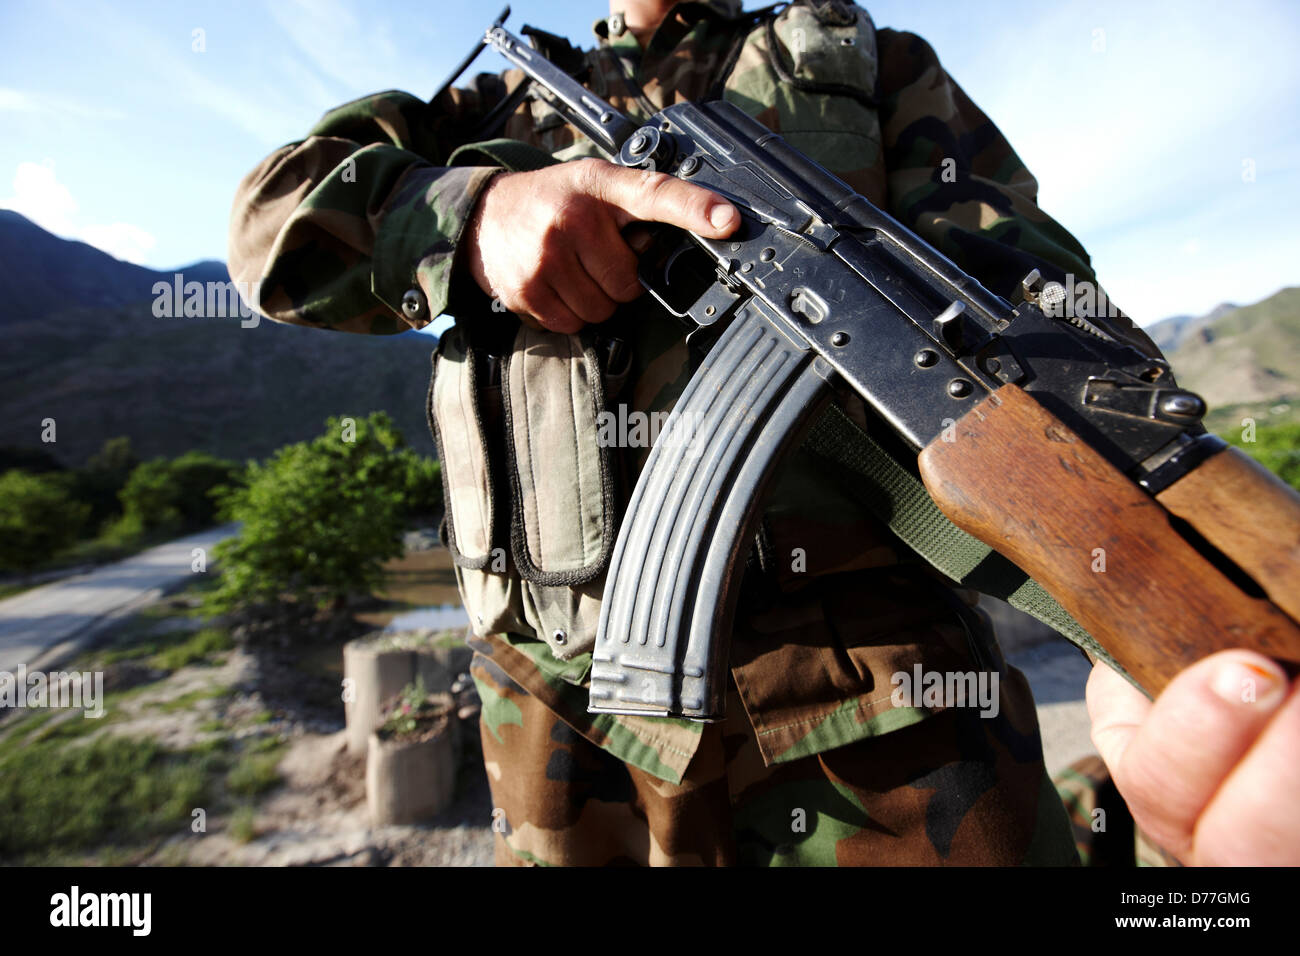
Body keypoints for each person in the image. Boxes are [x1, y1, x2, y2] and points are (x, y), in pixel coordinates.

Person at [229, 0, 1300, 865]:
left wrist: (1133, 549)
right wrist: (472, 209)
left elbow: (1041, 306)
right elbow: (268, 229)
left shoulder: (863, 62)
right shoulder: (486, 101)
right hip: (555, 710)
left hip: (879, 709)